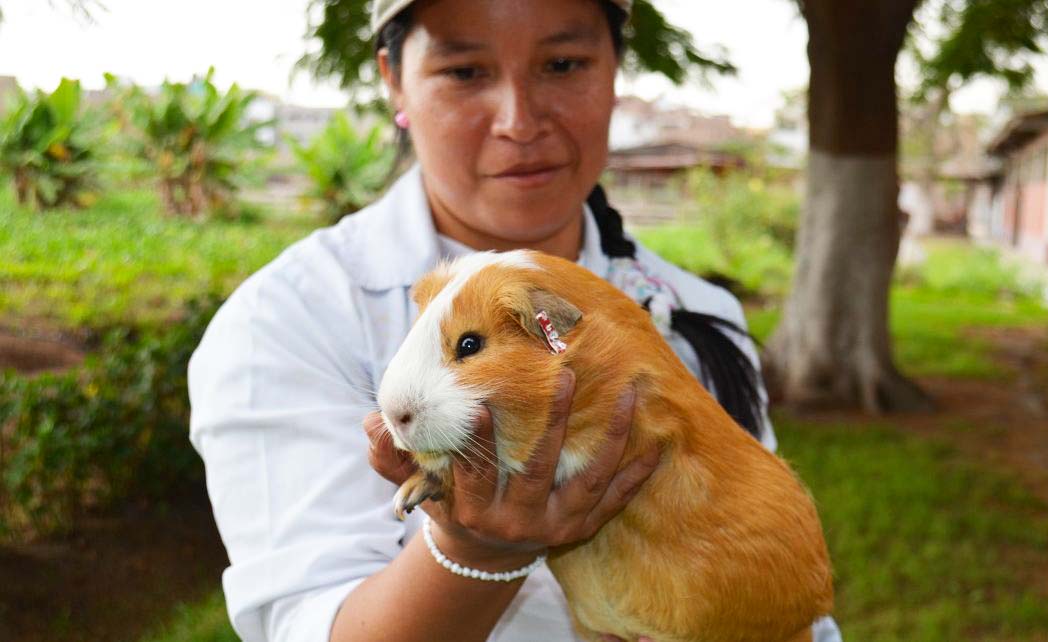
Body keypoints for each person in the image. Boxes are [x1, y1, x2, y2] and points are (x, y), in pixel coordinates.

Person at [187, 0, 843, 640]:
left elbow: (765, 557)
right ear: (394, 82)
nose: (519, 121)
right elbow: (305, 624)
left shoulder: (698, 312)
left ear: (616, 69)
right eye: (466, 72)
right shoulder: (282, 321)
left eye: (562, 64)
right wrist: (476, 553)